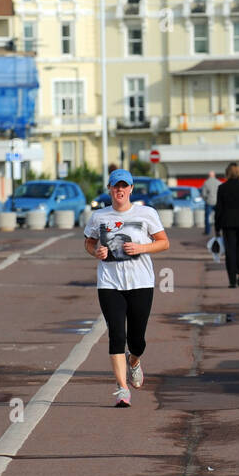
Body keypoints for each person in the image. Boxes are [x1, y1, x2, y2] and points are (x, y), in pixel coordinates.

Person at [83, 169, 170, 408]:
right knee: (116, 336)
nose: (119, 190)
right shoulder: (99, 216)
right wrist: (96, 252)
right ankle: (122, 389)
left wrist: (141, 248)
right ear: (110, 189)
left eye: (124, 186)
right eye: (115, 186)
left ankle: (134, 362)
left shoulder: (146, 213)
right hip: (110, 284)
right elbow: (89, 242)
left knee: (137, 340)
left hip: (141, 282)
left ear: (131, 189)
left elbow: (163, 242)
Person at [214, 163, 239, 287]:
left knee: (230, 251)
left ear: (227, 173)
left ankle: (232, 280)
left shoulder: (222, 188)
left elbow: (218, 209)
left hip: (227, 223)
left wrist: (217, 226)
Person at [200, 169, 221, 236]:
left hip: (209, 202)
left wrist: (206, 199)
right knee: (218, 217)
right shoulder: (219, 182)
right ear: (214, 175)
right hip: (217, 202)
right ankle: (218, 230)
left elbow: (203, 194)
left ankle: (207, 231)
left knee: (207, 217)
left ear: (208, 176)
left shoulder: (206, 183)